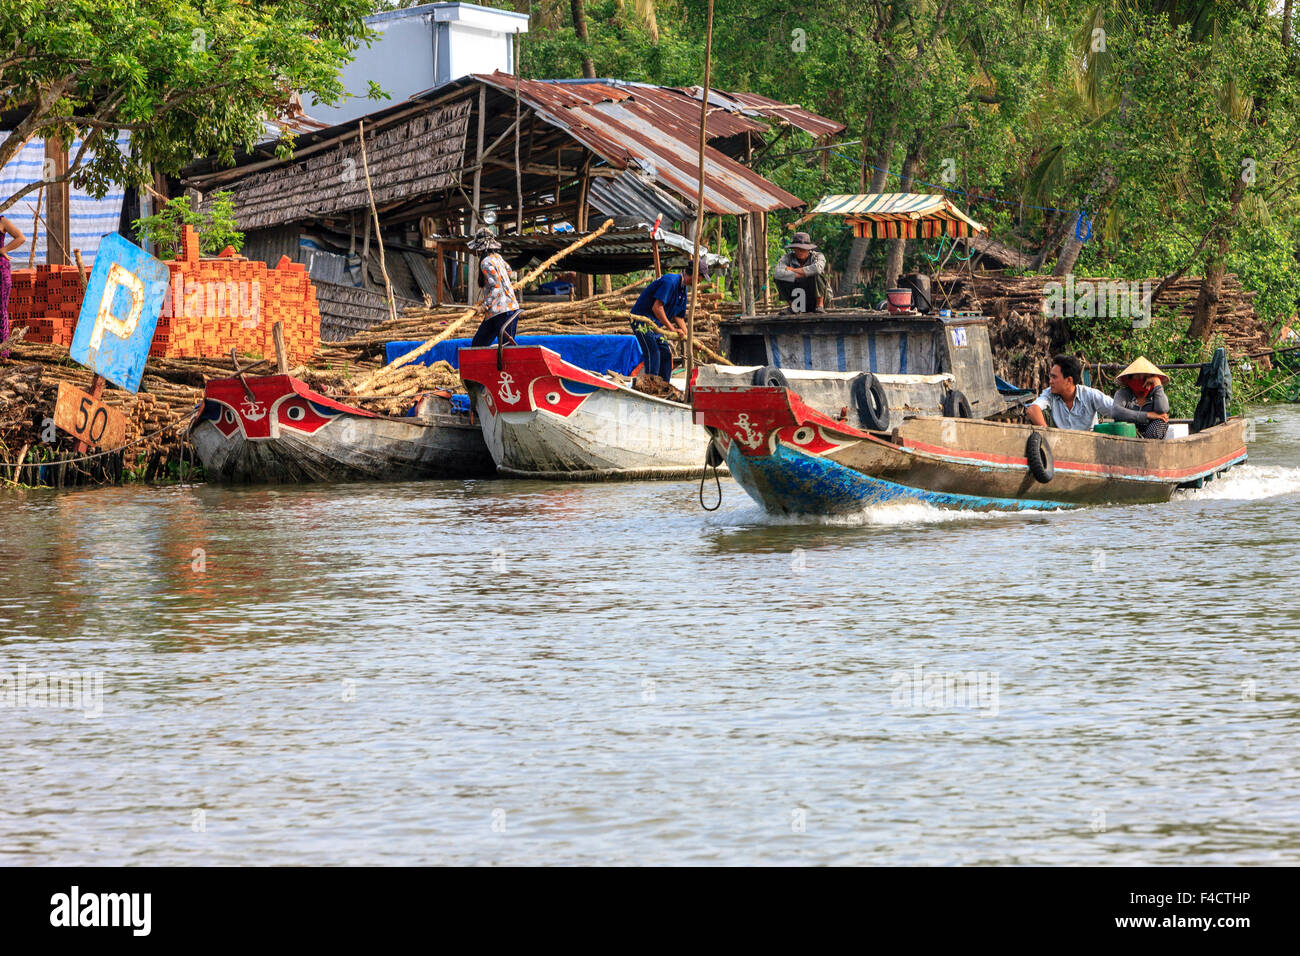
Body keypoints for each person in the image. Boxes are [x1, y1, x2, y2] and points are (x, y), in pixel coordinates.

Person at [1025, 354, 1169, 432]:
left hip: (1088, 447)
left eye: (1054, 377)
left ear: (1069, 380)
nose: (1050, 381)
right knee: (1039, 416)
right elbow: (1033, 409)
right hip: (1059, 444)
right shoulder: (1050, 393)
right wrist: (1047, 434)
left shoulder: (1090, 395)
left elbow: (1115, 410)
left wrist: (1148, 412)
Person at [628, 261, 709, 381]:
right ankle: (650, 386)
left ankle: (664, 386)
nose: (699, 281)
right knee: (653, 352)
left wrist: (692, 339)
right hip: (641, 321)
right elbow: (657, 307)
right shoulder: (670, 282)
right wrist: (672, 329)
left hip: (654, 325)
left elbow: (678, 316)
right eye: (700, 278)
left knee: (665, 353)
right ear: (695, 274)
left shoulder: (683, 290)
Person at [467, 228, 522, 348]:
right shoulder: (498, 257)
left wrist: (484, 306)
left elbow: (495, 287)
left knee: (504, 348)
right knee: (479, 344)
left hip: (501, 312)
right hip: (505, 310)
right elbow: (509, 270)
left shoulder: (485, 263)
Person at [1112, 356, 1172, 439]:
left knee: (1161, 421)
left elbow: (1162, 410)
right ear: (1130, 379)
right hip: (1127, 439)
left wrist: (1157, 384)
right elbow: (1116, 411)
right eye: (1137, 376)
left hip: (1150, 441)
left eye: (1145, 377)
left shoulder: (1156, 394)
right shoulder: (1123, 393)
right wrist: (1147, 415)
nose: (1141, 380)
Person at [773, 232, 829, 314]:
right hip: (798, 298)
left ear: (808, 249)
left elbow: (817, 269)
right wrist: (802, 274)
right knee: (778, 278)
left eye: (802, 249)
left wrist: (792, 270)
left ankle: (819, 306)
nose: (799, 251)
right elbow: (777, 273)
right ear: (794, 249)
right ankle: (794, 307)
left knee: (817, 274)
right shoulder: (787, 257)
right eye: (797, 249)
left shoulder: (818, 256)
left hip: (815, 297)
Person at [1, 214, 27, 359]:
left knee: (1, 309)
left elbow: (21, 237)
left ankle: (3, 352)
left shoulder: (2, 221)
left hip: (1, 269)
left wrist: (3, 250)